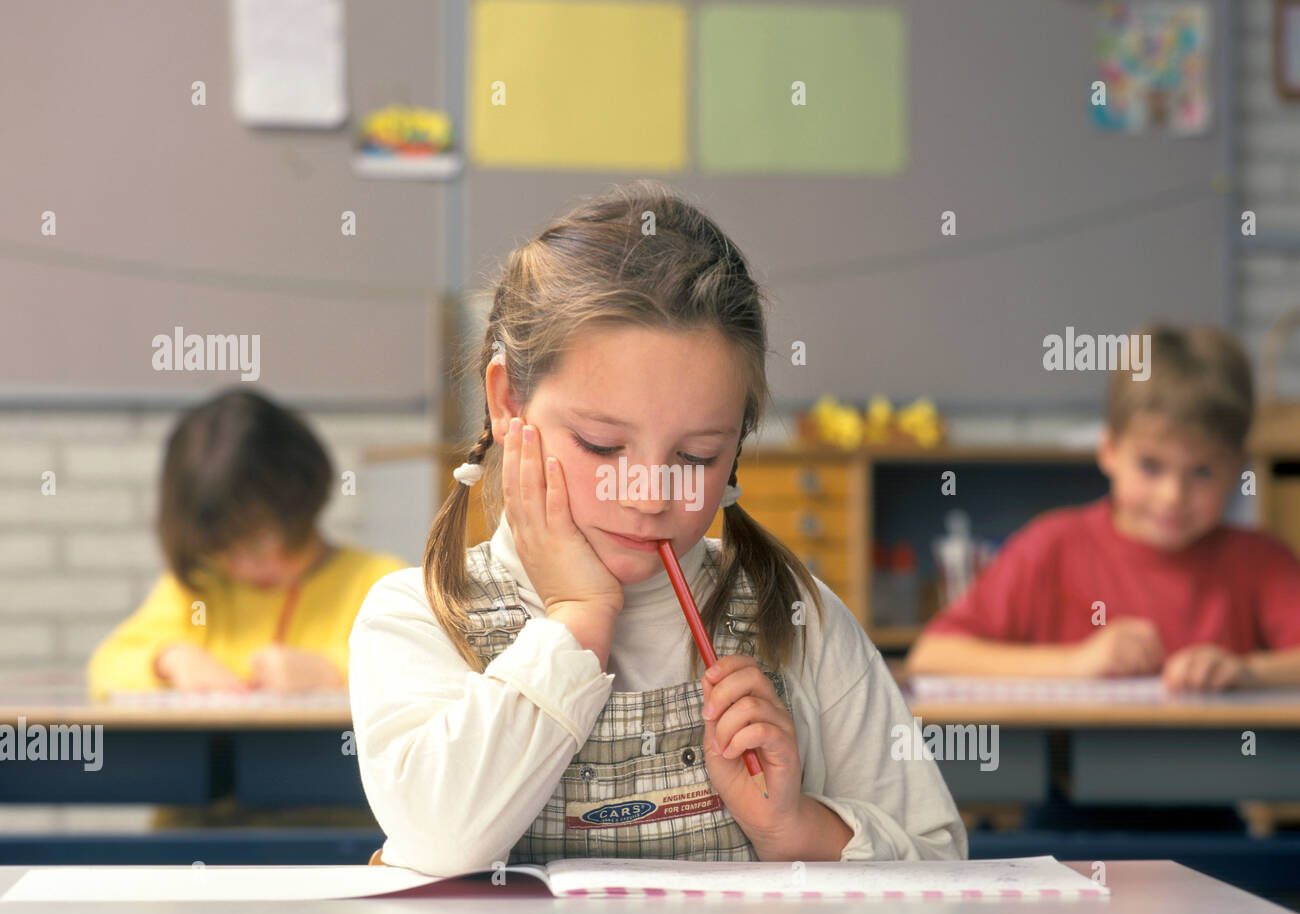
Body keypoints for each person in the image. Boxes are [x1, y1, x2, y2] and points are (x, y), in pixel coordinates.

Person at [350, 179, 967, 876]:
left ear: (736, 444)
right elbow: (440, 841)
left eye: (696, 455)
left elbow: (941, 864)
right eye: (603, 446)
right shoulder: (420, 618)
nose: (648, 494)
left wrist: (795, 828)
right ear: (506, 401)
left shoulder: (796, 619)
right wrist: (577, 621)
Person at [907, 324, 1300, 690]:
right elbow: (931, 656)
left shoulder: (1260, 561)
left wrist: (1249, 671)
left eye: (1202, 472)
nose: (1172, 496)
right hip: (1070, 764)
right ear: (1108, 450)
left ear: (1236, 469)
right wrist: (1075, 663)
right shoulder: (1050, 546)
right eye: (1150, 466)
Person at [87, 387, 407, 699]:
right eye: (220, 551)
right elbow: (107, 666)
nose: (243, 566)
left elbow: (424, 670)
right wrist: (168, 659)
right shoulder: (197, 590)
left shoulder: (381, 584)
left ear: (302, 500)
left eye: (259, 542)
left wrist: (334, 672)